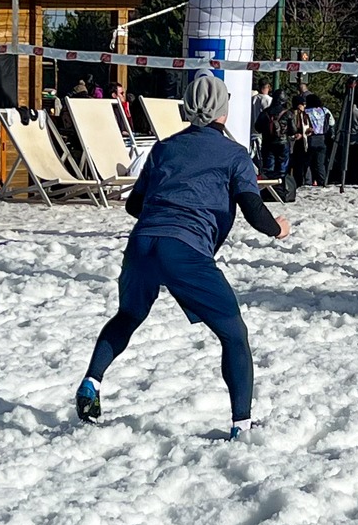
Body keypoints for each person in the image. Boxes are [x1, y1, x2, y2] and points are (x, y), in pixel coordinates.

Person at [76, 70, 289, 440]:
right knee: (234, 333)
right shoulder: (234, 154)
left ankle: (92, 381)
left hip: (143, 243)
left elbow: (134, 206)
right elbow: (254, 208)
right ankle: (242, 424)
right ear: (224, 110)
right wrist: (278, 228)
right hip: (184, 249)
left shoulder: (164, 147)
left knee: (128, 315)